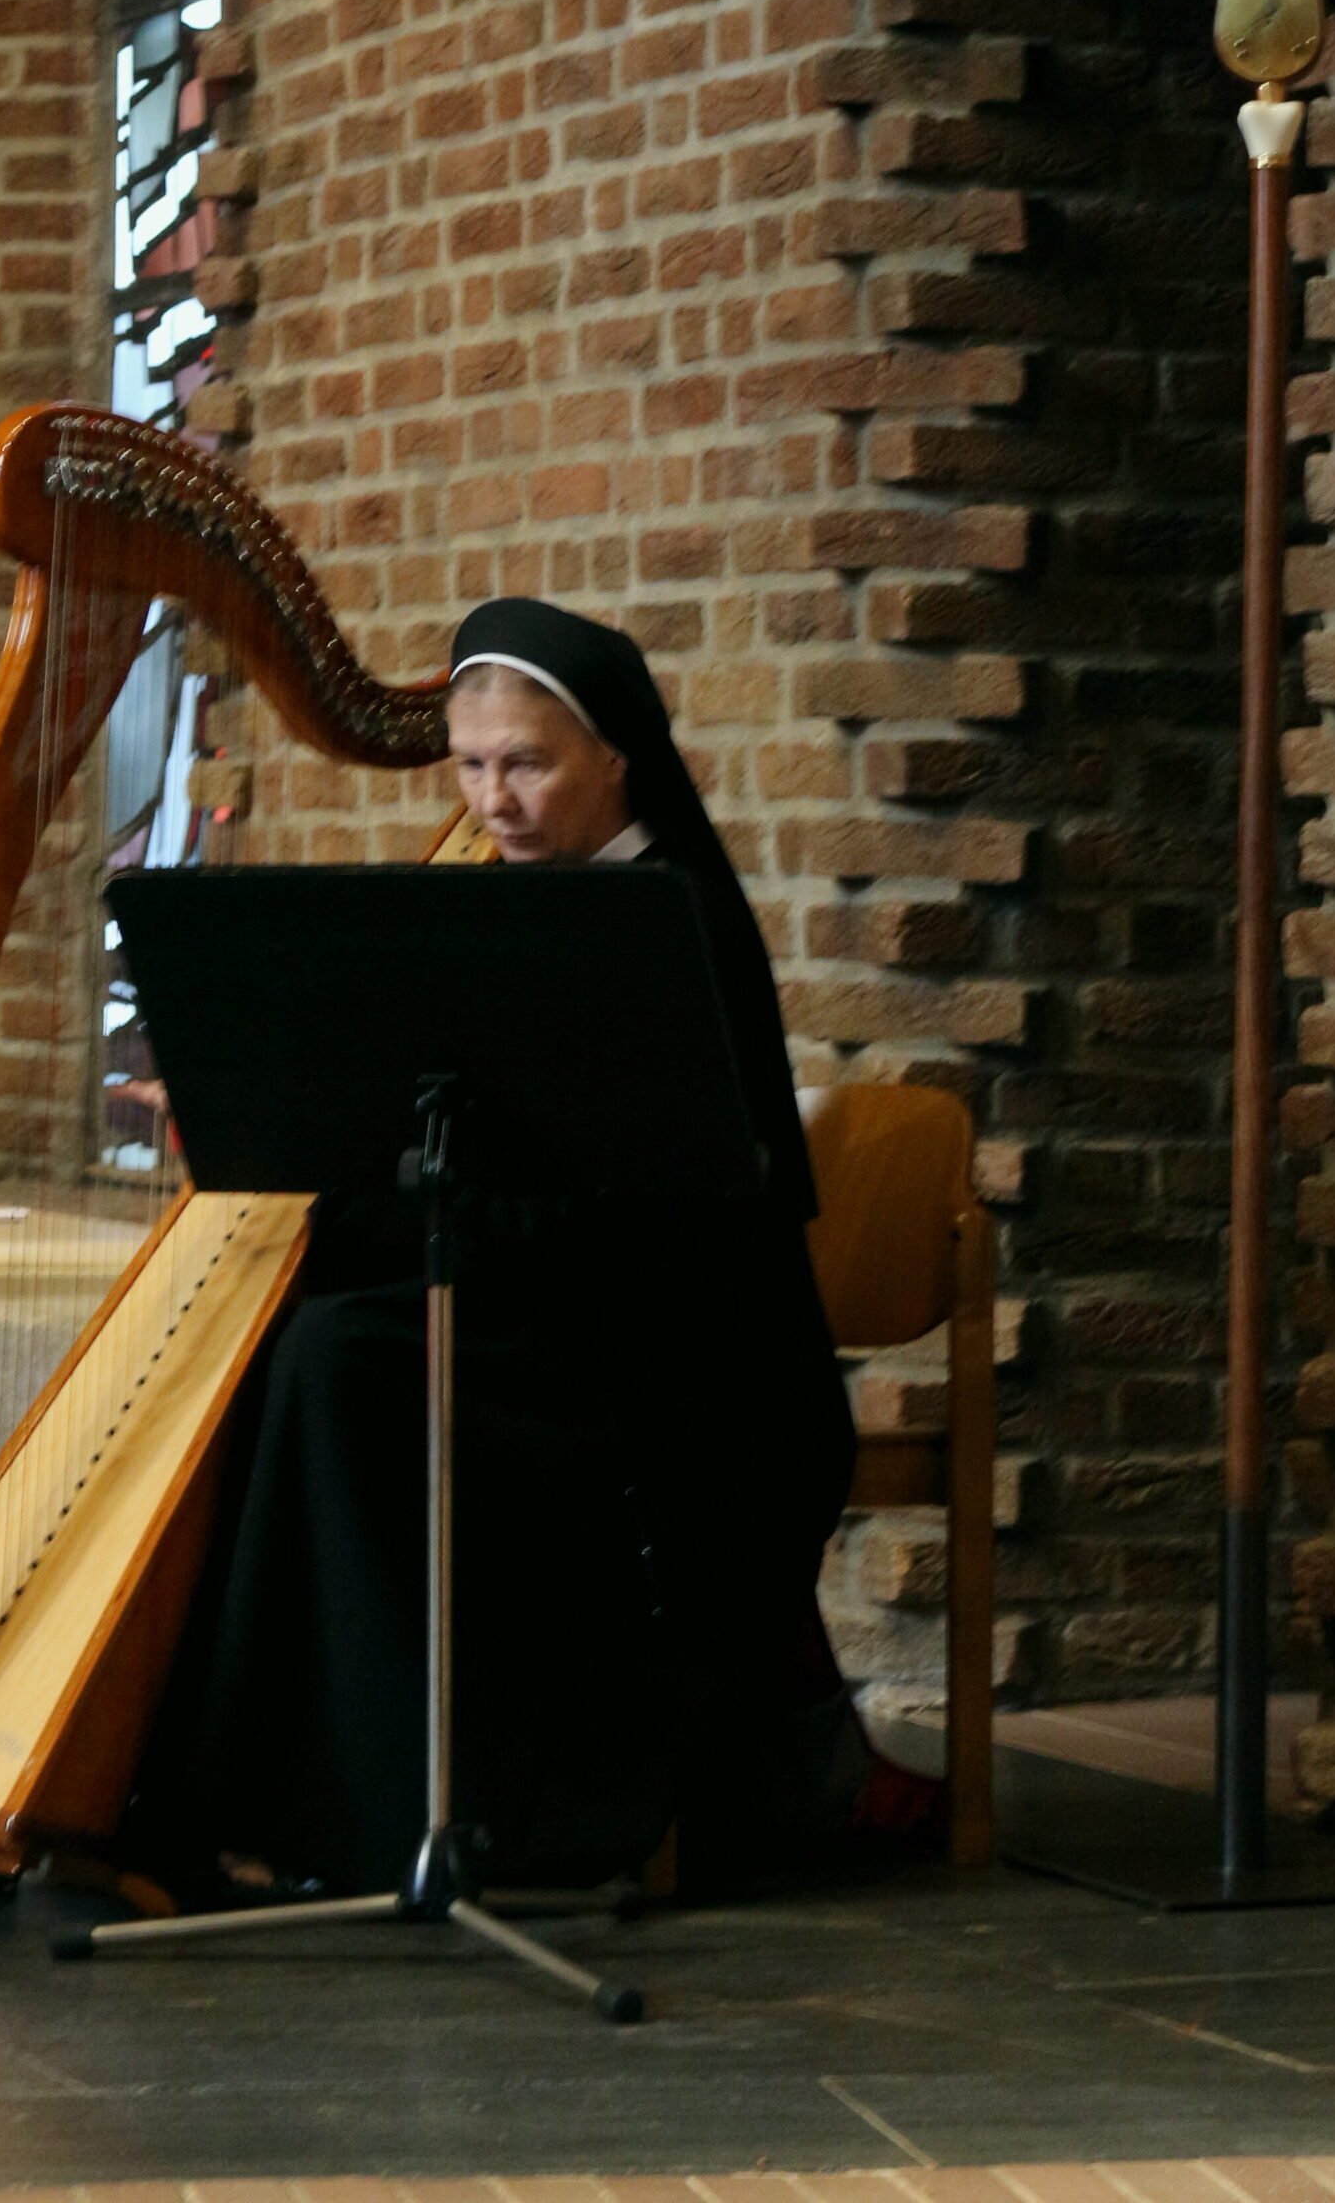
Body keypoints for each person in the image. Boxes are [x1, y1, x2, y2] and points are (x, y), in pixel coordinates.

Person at [123, 599, 859, 1899]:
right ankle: (278, 1798)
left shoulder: (666, 918)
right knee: (314, 1351)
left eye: (527, 765)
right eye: (472, 767)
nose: (494, 800)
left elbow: (657, 1210)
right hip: (544, 1315)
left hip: (670, 1366)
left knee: (339, 1361)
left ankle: (362, 1816)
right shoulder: (509, 908)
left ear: (615, 755)